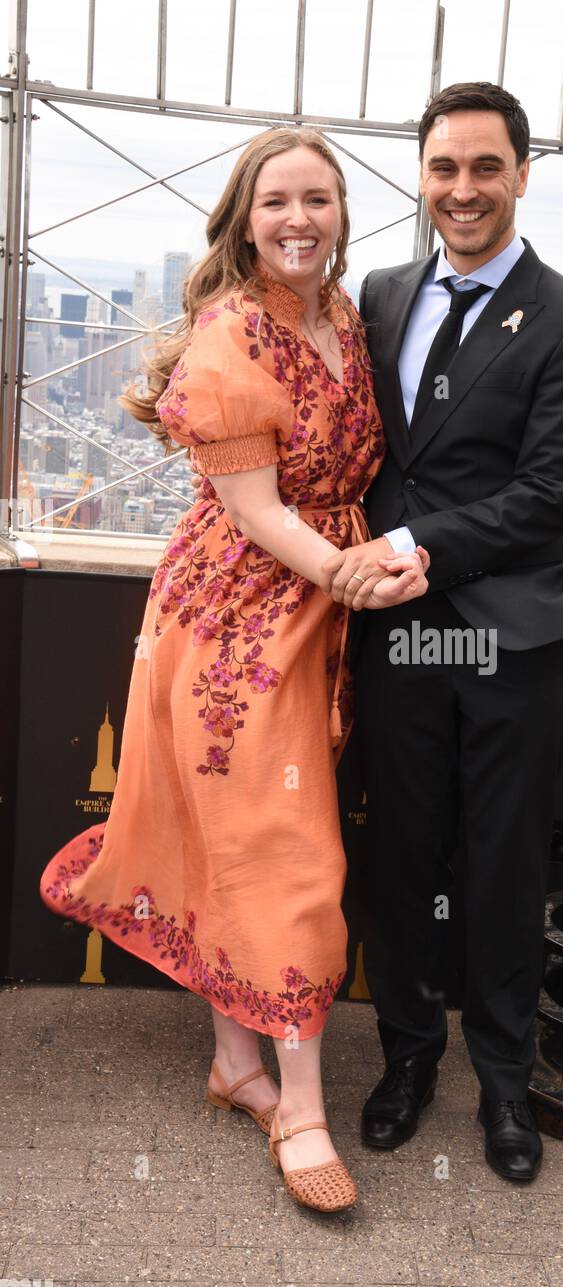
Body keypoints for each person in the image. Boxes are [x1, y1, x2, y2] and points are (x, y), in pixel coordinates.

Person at [38, 127, 429, 1214]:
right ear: (244, 220)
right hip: (236, 619)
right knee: (291, 848)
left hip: (327, 605)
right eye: (277, 203)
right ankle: (299, 1110)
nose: (299, 219)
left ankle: (239, 1066)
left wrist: (374, 564)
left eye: (319, 198)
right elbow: (253, 512)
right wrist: (353, 574)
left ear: (344, 214)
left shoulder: (348, 317)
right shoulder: (230, 336)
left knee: (247, 839)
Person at [320, 82, 563, 1183]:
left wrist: (415, 550)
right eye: (444, 167)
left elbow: (549, 493)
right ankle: (408, 1057)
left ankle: (506, 1084)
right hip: (397, 642)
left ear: (521, 174)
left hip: (510, 639)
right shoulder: (379, 290)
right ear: (422, 174)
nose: (463, 189)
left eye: (485, 168)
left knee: (504, 867)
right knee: (402, 858)